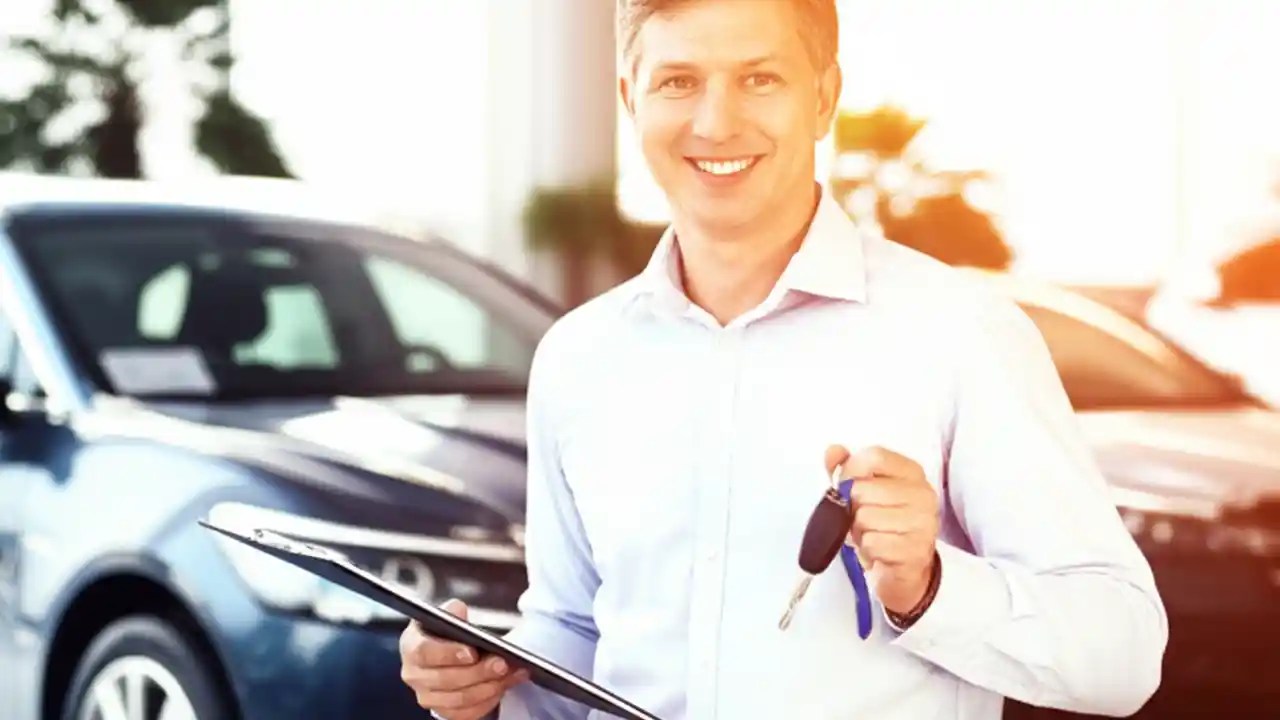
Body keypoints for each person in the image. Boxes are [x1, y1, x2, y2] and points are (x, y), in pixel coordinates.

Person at [399, 0, 1169, 717]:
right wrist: (487, 684)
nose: (715, 120)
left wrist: (932, 588)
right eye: (678, 81)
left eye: (759, 78)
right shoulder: (578, 357)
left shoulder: (960, 332)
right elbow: (574, 626)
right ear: (632, 99)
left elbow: (1124, 655)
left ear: (825, 97)